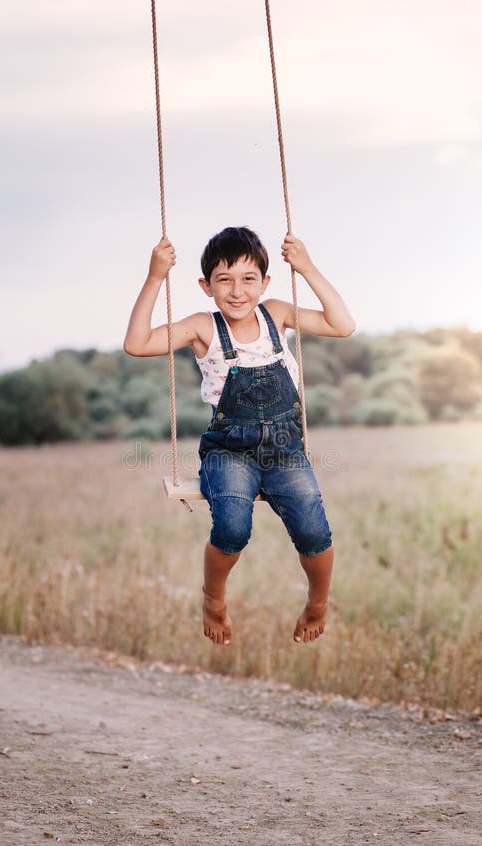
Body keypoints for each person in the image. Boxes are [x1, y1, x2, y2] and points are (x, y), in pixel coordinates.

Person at [124, 226, 355, 646]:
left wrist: (306, 268)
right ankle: (213, 599)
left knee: (314, 532)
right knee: (232, 527)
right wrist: (156, 276)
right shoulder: (202, 327)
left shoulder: (278, 315)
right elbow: (137, 344)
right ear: (206, 286)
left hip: (285, 451)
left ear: (265, 283)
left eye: (249, 279)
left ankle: (318, 602)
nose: (237, 291)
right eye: (224, 280)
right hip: (229, 453)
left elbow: (343, 325)